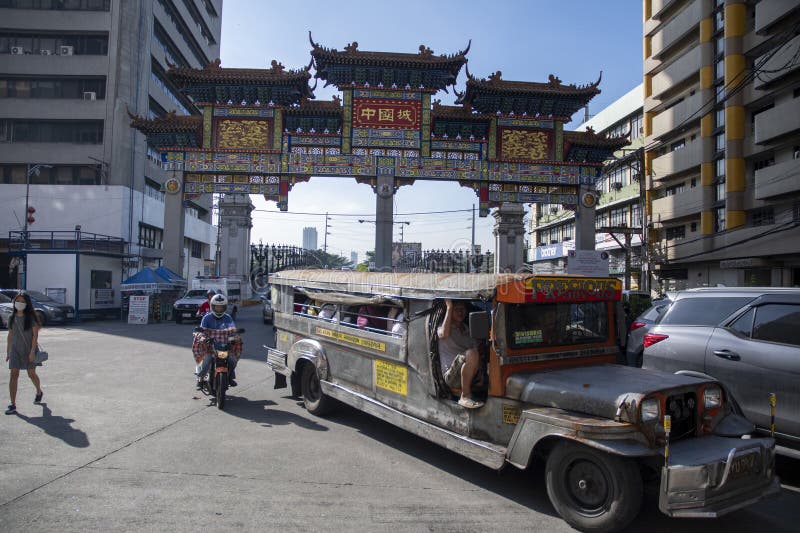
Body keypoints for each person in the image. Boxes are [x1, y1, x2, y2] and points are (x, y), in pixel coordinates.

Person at [437, 299, 483, 409]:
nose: (460, 312)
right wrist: (449, 307)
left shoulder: (467, 329)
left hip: (469, 374)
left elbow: (477, 353)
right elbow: (444, 334)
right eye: (457, 309)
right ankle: (465, 396)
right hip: (450, 377)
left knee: (477, 353)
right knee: (471, 353)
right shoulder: (442, 327)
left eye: (462, 309)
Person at [5, 291, 44, 415]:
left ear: (27, 304)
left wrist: (32, 351)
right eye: (18, 301)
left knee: (31, 374)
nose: (20, 304)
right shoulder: (11, 317)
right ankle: (13, 404)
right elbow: (10, 335)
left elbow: (35, 336)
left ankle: (39, 391)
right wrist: (8, 351)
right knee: (13, 374)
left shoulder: (31, 318)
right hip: (15, 350)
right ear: (14, 302)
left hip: (29, 350)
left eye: (23, 302)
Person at [195, 294, 240, 389]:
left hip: (224, 346)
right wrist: (203, 338)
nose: (219, 309)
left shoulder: (228, 318)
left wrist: (234, 338)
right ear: (212, 306)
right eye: (217, 307)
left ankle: (230, 377)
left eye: (221, 307)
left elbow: (232, 330)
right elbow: (201, 330)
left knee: (233, 361)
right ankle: (201, 378)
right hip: (210, 347)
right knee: (206, 361)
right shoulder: (207, 318)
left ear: (225, 307)